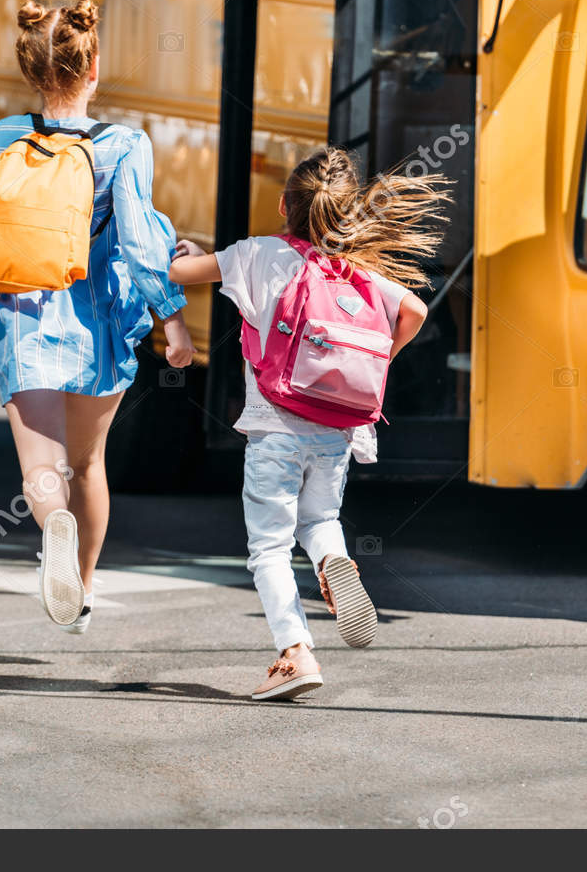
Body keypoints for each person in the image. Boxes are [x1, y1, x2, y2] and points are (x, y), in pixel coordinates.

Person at [0, 0, 192, 634]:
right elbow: (138, 246)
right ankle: (84, 587)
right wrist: (174, 321)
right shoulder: (125, 146)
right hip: (99, 322)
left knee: (41, 470)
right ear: (93, 66)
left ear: (28, 69)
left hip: (23, 319)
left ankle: (53, 527)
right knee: (91, 465)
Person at [169, 146, 447, 700]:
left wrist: (195, 252)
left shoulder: (258, 254)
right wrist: (377, 359)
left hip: (276, 427)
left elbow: (177, 272)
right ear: (347, 216)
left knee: (268, 547)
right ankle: (334, 561)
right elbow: (415, 309)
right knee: (321, 519)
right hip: (337, 429)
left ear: (282, 206)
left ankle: (295, 653)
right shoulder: (360, 271)